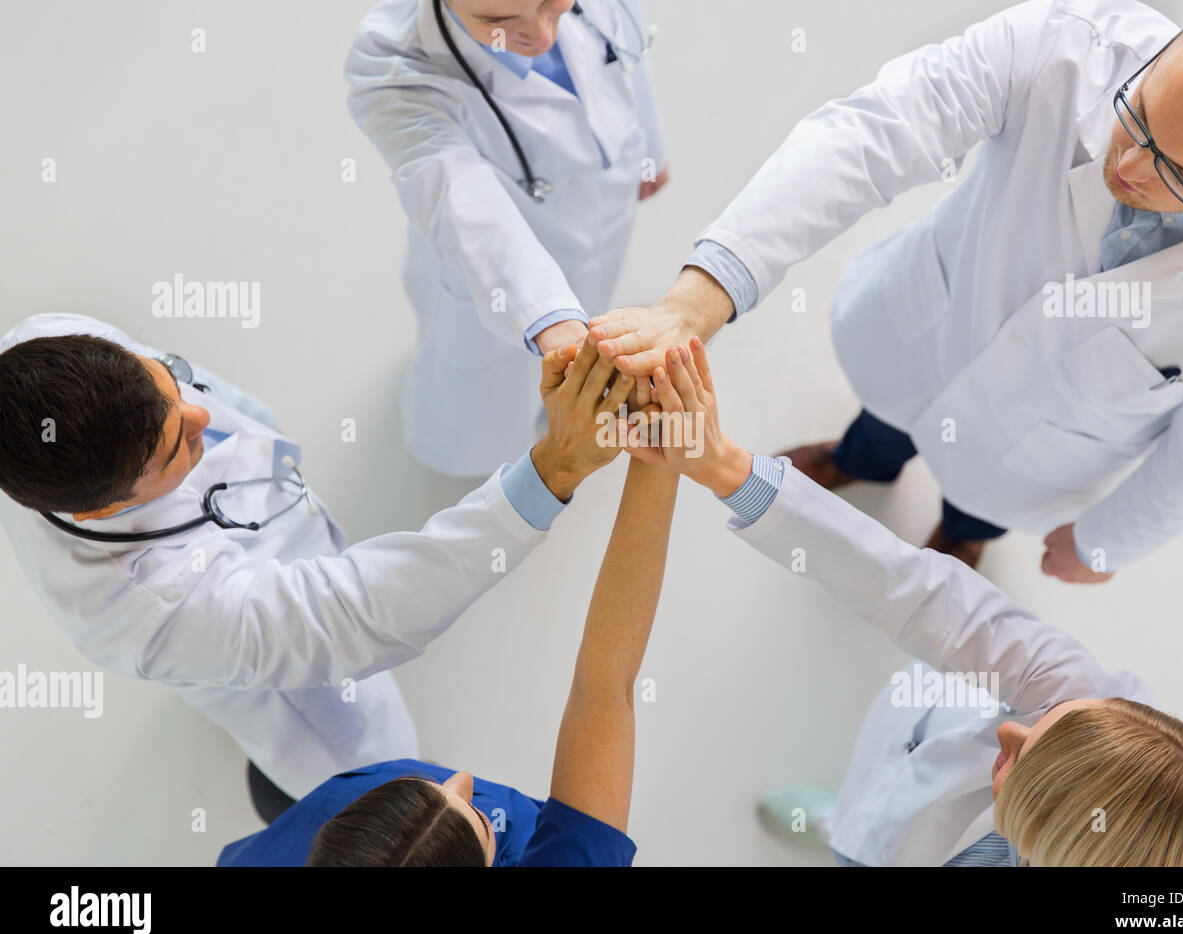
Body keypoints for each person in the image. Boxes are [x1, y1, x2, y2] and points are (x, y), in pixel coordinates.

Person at [588, 0, 1183, 581]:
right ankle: (857, 459)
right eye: (1137, 112)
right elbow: (870, 137)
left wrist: (1102, 544)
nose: (1128, 165)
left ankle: (962, 537)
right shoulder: (1068, 44)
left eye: (1180, 175)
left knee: (977, 507)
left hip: (1034, 458)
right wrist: (698, 299)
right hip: (924, 336)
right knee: (881, 425)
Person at [626, 339, 1183, 865]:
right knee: (871, 815)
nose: (1006, 726)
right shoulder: (1091, 703)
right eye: (1036, 725)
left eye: (1018, 761)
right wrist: (725, 467)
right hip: (903, 775)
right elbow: (915, 590)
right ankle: (846, 822)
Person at [0, 312, 633, 821]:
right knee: (369, 774)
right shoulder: (157, 614)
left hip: (272, 561)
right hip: (306, 702)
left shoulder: (40, 348)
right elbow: (359, 611)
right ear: (106, 508)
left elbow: (206, 408)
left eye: (171, 379)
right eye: (177, 445)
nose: (203, 413)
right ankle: (299, 802)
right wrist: (555, 470)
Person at [217, 456, 679, 866]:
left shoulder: (321, 815)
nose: (462, 779)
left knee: (278, 788)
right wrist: (660, 458)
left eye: (430, 788)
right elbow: (603, 690)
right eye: (476, 814)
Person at [345, 0, 669, 477]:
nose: (541, 37)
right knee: (477, 412)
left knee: (583, 306)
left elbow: (627, 50)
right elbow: (459, 195)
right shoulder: (394, 60)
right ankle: (474, 451)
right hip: (492, 269)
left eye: (551, 2)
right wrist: (553, 322)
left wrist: (646, 148)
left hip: (601, 211)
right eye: (496, 21)